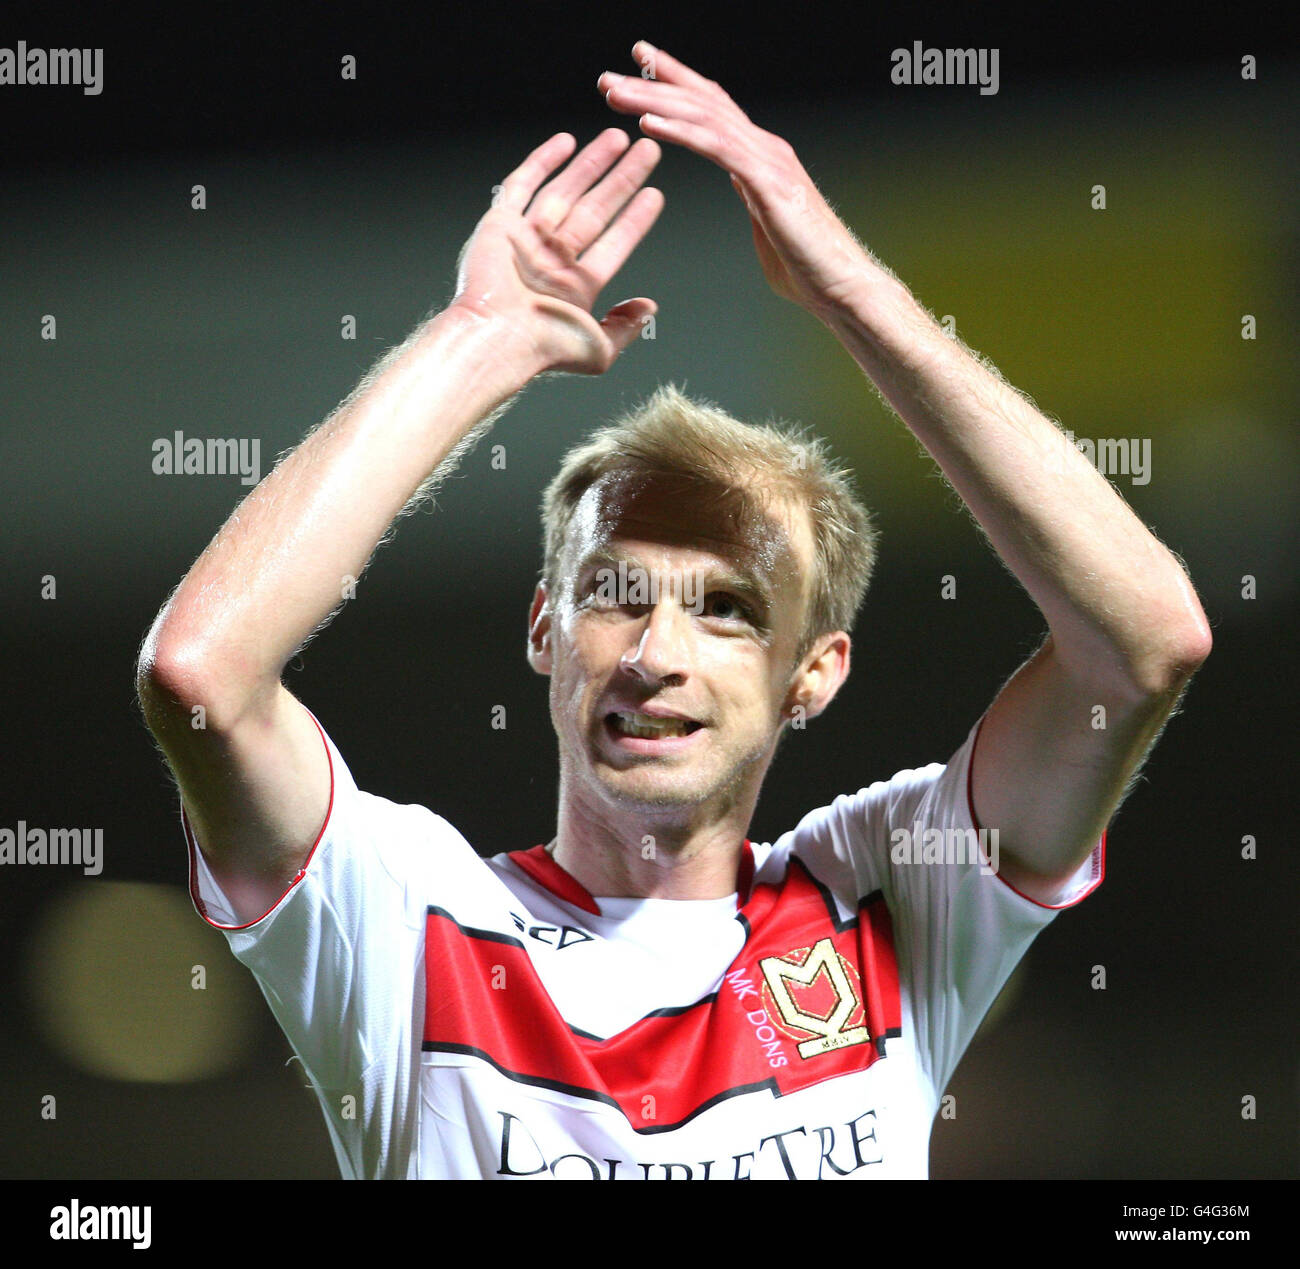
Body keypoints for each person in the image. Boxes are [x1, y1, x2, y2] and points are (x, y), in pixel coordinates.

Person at [135, 41, 1211, 1179]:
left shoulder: (891, 894)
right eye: (614, 595)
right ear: (546, 631)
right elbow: (202, 676)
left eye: (729, 610)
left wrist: (853, 293)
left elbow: (1144, 642)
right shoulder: (407, 915)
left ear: (816, 670)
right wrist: (478, 341)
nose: (655, 653)